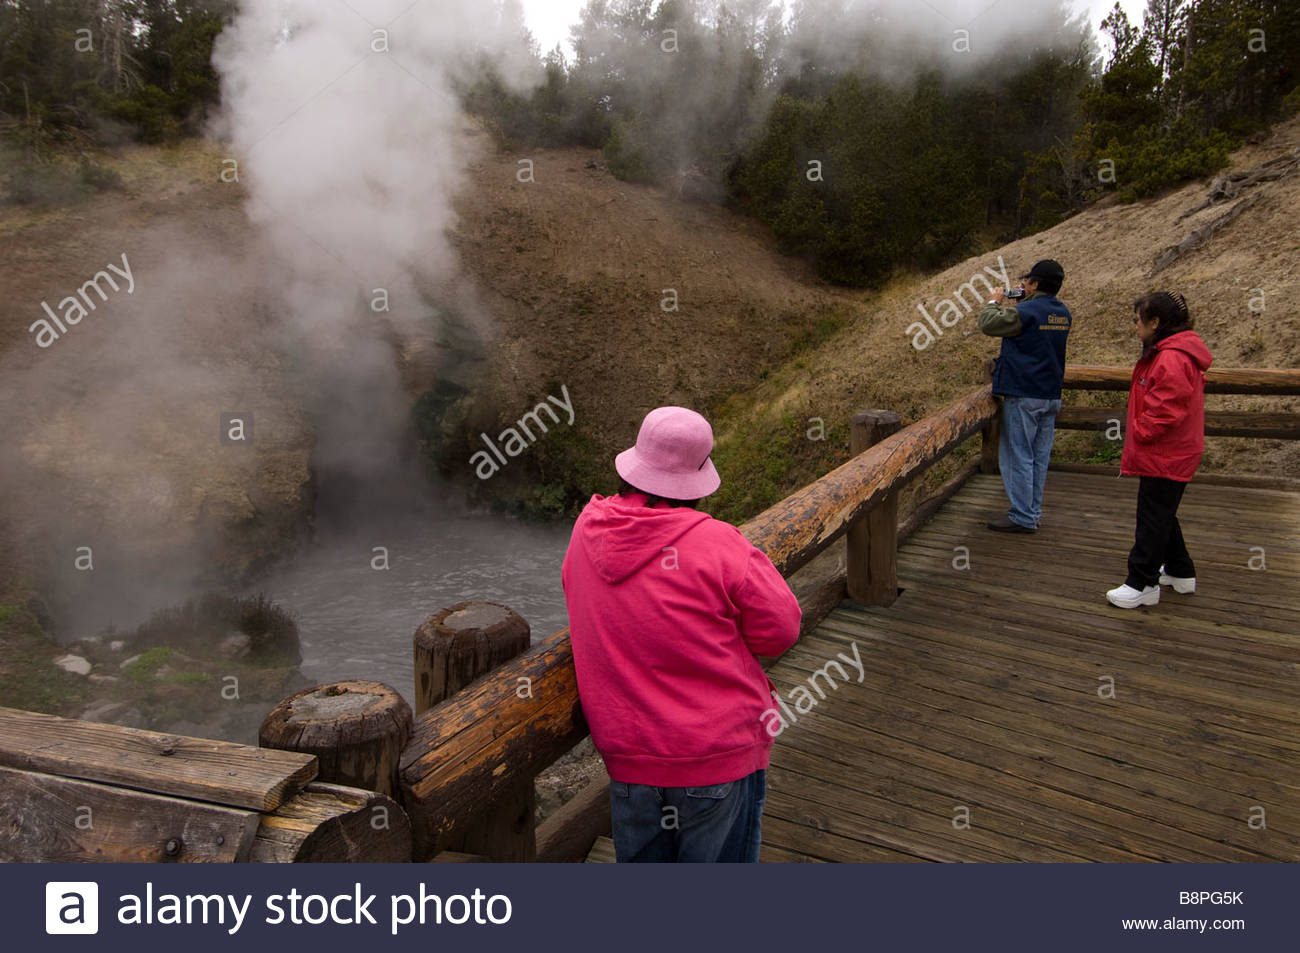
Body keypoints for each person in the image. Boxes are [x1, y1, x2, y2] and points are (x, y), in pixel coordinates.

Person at [561, 406, 802, 862]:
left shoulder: (586, 530)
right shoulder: (720, 543)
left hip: (631, 758)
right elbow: (781, 631)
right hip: (716, 755)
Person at [1106, 292, 1213, 609]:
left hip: (1166, 451)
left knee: (1151, 517)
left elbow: (1166, 410)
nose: (1135, 326)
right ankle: (1180, 572)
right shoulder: (1177, 352)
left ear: (1155, 323)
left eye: (1138, 320)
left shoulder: (1170, 357)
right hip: (1174, 449)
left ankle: (1142, 582)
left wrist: (1139, 431)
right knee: (1162, 512)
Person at [978, 259, 1073, 533]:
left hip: (1025, 393)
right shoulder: (1062, 312)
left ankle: (1022, 516)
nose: (1023, 285)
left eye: (1028, 281)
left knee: (1018, 455)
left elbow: (988, 323)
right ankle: (1031, 512)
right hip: (1050, 394)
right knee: (1038, 458)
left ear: (1035, 284)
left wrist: (995, 301)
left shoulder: (1027, 311)